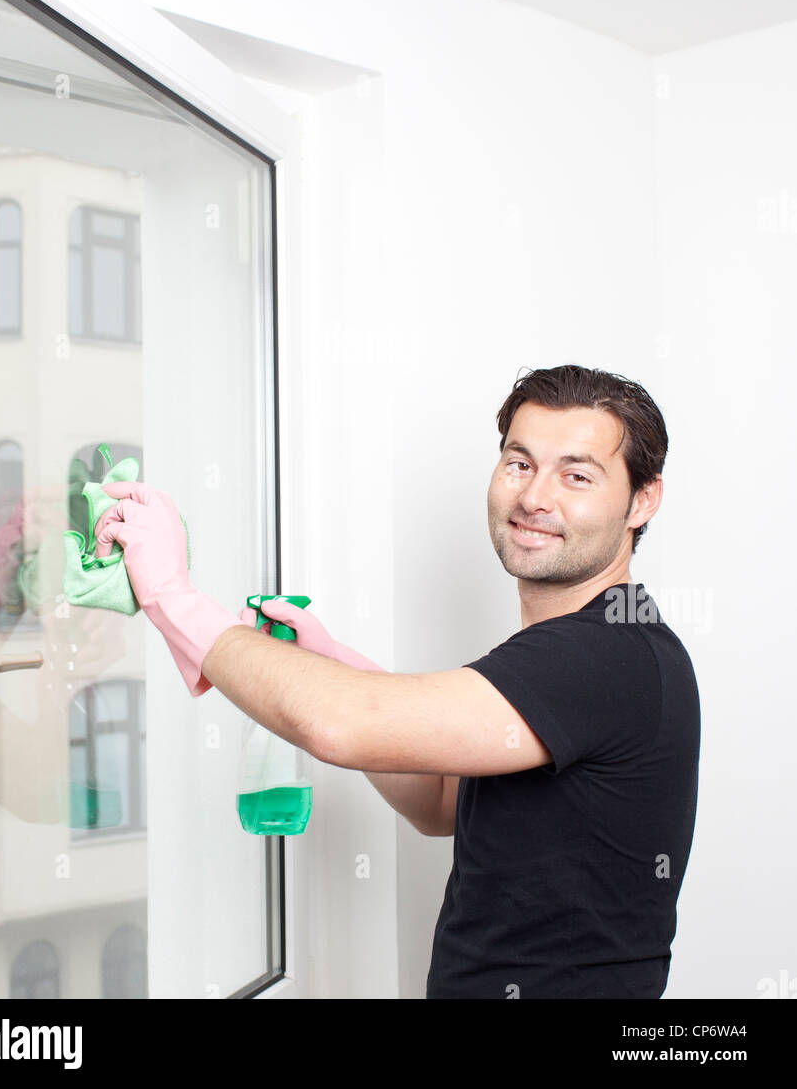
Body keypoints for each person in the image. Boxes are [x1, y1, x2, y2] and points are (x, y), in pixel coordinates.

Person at [94, 362, 700, 1000]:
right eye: (520, 464)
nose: (534, 497)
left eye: (576, 475)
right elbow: (440, 803)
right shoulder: (572, 649)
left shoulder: (605, 656)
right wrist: (328, 661)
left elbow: (342, 725)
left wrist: (169, 594)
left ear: (642, 499)